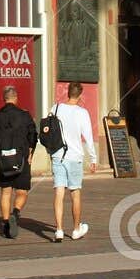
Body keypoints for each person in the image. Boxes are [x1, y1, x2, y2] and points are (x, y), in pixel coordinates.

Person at [0, 85, 37, 239]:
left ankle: (6, 223)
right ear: (16, 98)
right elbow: (33, 135)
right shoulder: (25, 115)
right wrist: (31, 153)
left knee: (5, 192)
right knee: (22, 192)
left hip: (4, 160)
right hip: (21, 158)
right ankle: (16, 212)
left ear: (4, 99)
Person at [50, 81, 98, 242]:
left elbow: (48, 132)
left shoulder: (55, 108)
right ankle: (76, 229)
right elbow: (88, 137)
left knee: (59, 192)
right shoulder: (82, 113)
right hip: (75, 157)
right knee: (75, 193)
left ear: (67, 92)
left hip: (58, 155)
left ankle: (59, 230)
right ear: (80, 95)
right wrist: (93, 157)